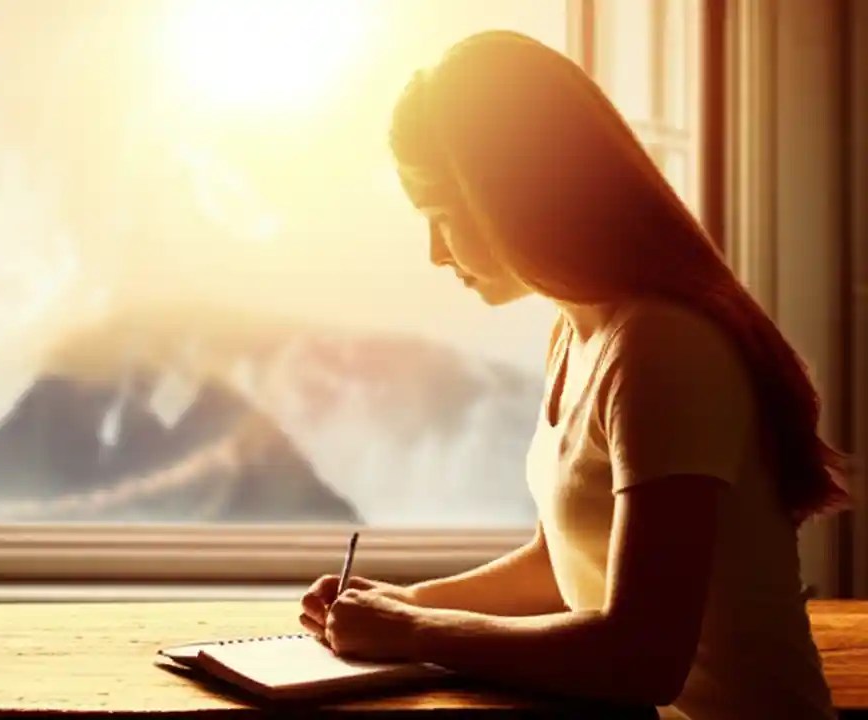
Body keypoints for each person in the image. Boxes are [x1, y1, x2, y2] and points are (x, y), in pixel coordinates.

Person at [299, 30, 849, 719]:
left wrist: (413, 632)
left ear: (514, 198)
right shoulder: (578, 329)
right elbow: (557, 566)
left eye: (444, 217)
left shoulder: (661, 347)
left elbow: (642, 656)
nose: (436, 253)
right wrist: (402, 603)